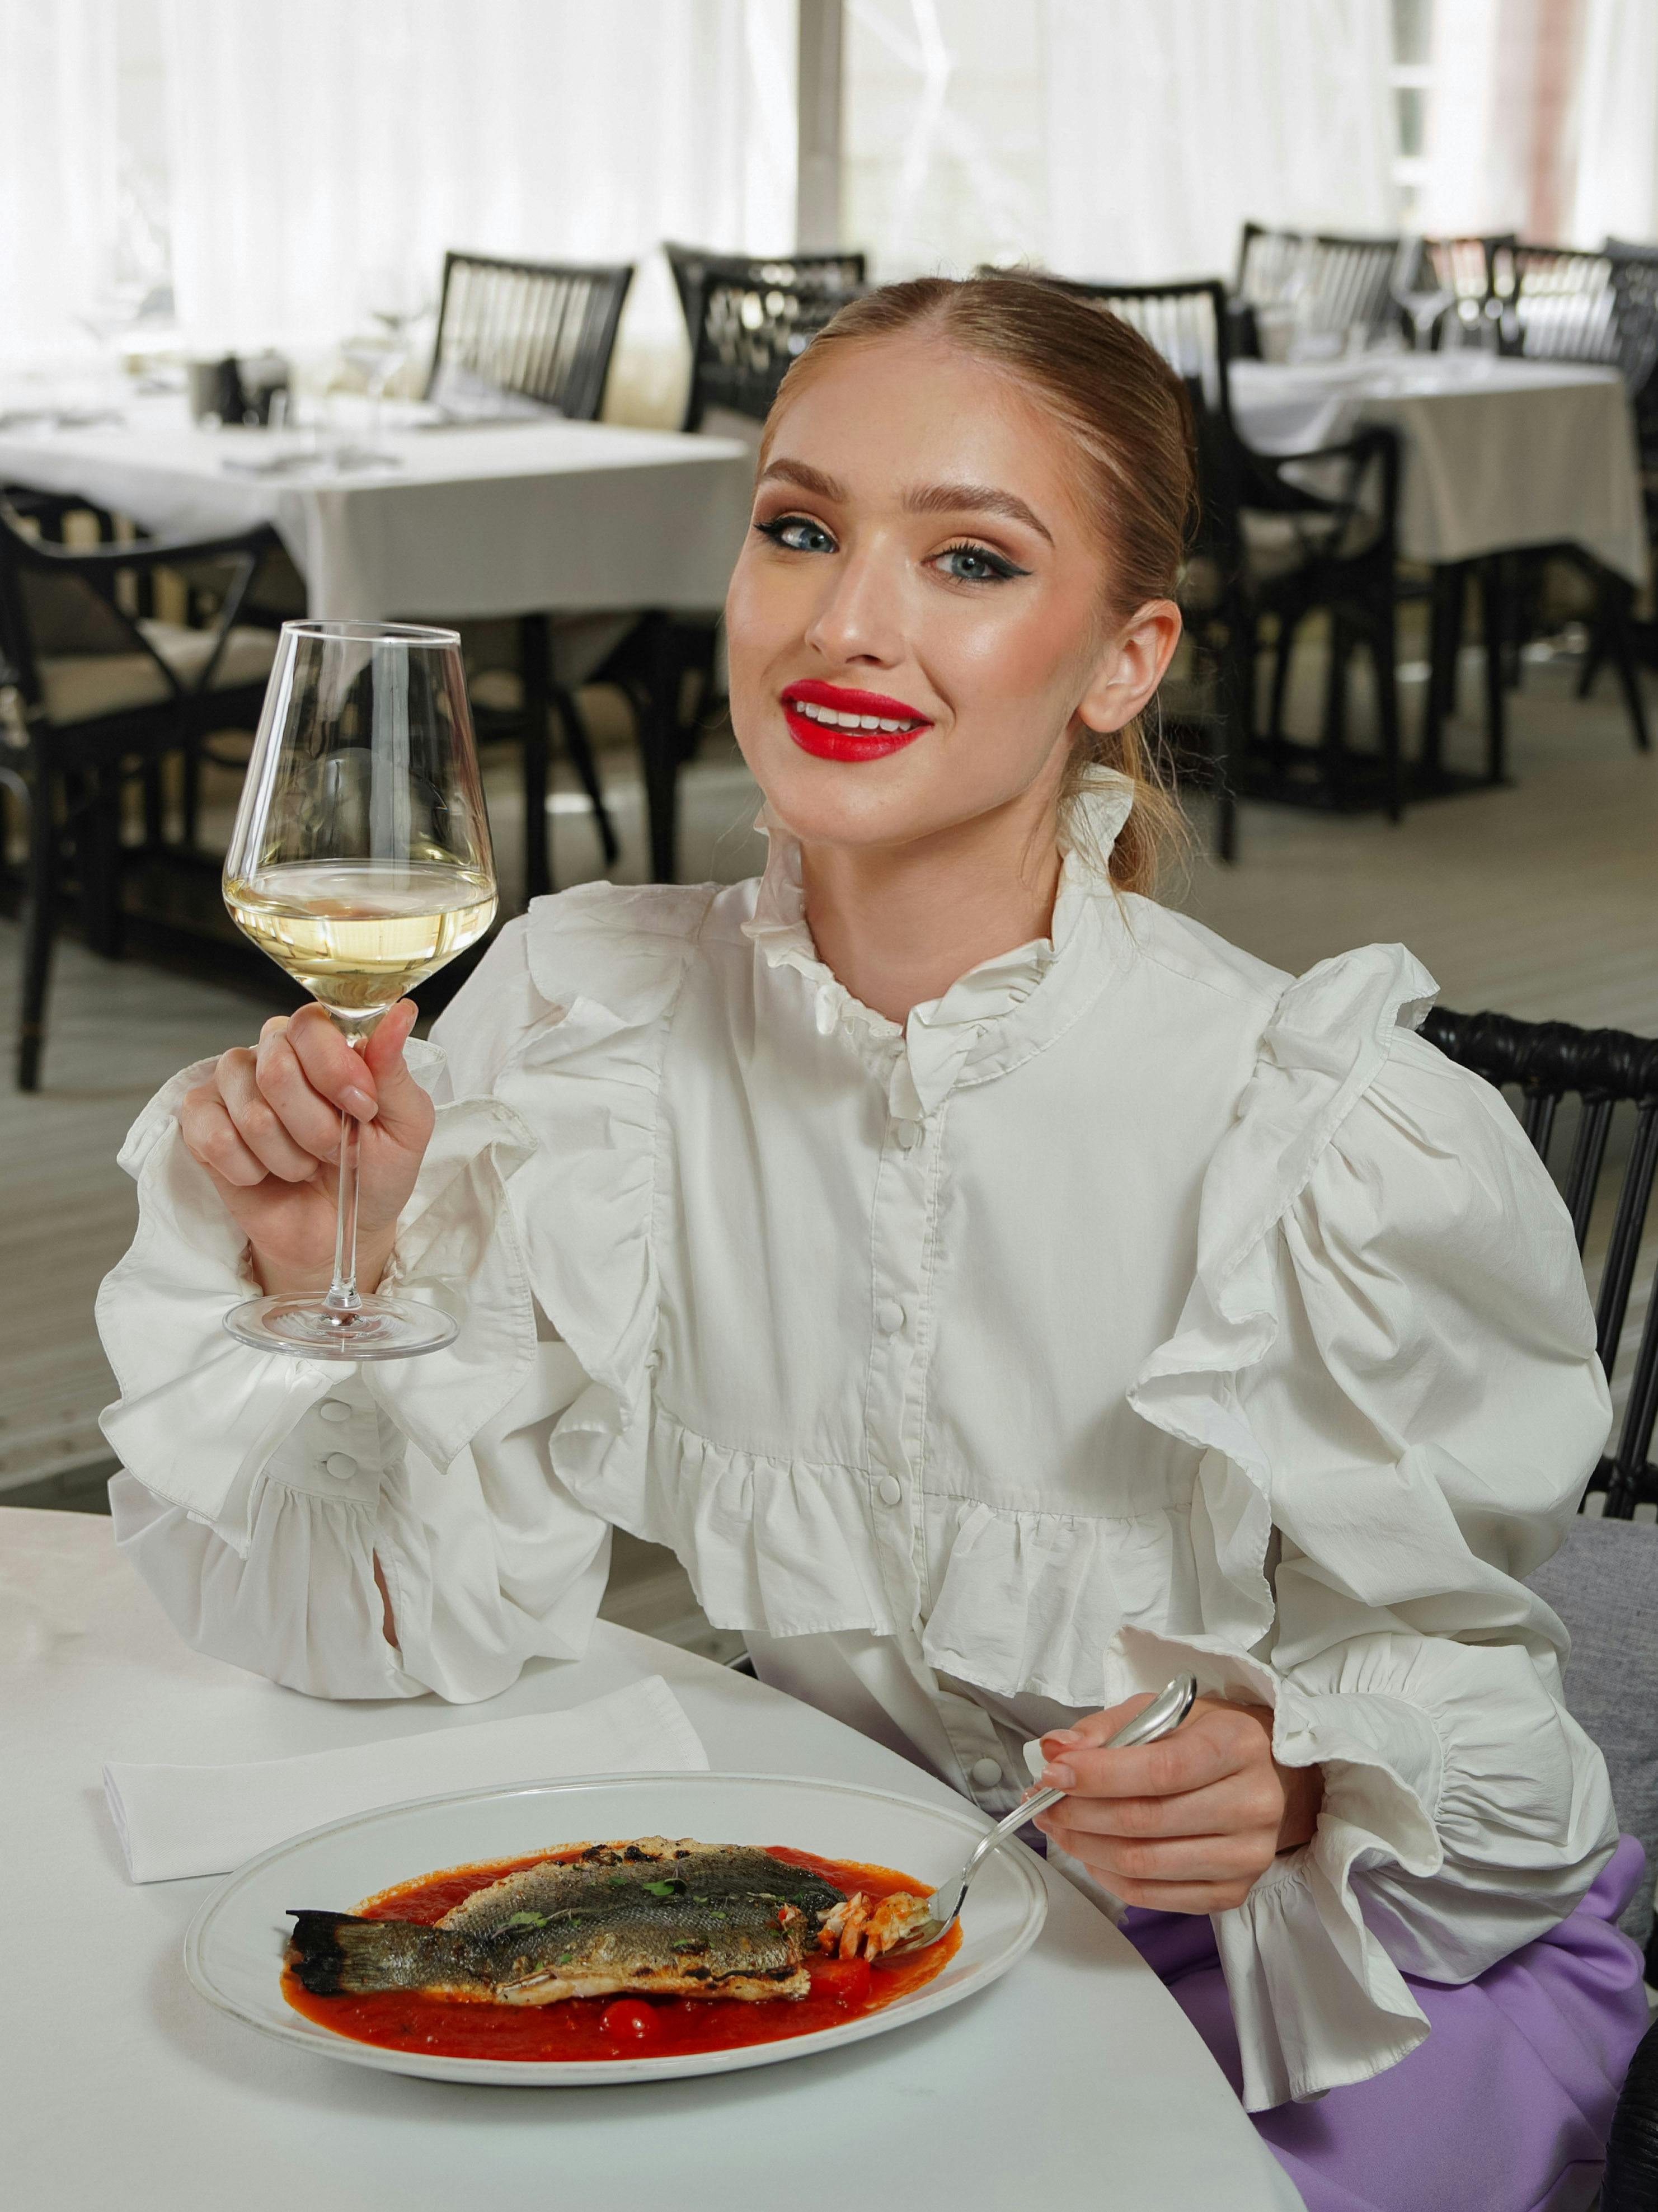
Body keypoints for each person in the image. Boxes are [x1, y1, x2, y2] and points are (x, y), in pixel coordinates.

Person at [98, 276, 1645, 2209]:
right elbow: (369, 1635)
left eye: (972, 557)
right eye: (799, 527)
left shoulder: (1321, 1134)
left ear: (1121, 656)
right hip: (851, 1924)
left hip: (1304, 1982)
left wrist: (1311, 1777)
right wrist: (320, 1273)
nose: (845, 621)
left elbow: (1514, 1760)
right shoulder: (591, 1024)